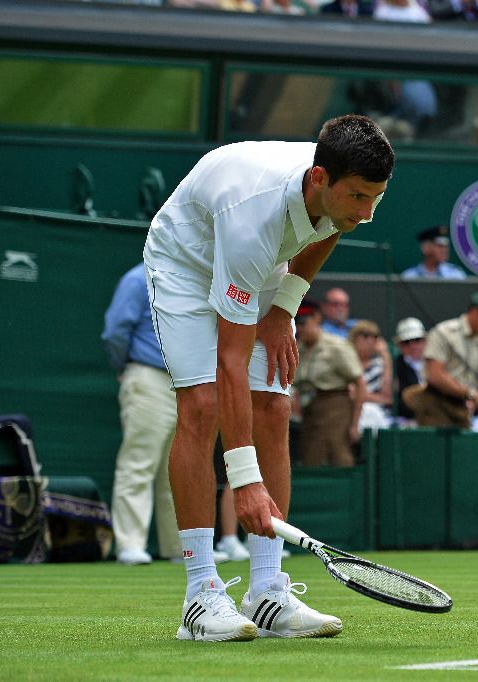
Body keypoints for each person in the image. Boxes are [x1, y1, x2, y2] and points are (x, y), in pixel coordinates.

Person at [143, 114, 394, 641]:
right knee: (203, 406)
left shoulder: (342, 194)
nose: (367, 213)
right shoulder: (253, 217)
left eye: (375, 198)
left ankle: (266, 593)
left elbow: (330, 229)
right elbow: (229, 364)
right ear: (320, 179)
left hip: (259, 270)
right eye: (358, 198)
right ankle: (200, 594)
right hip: (188, 262)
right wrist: (245, 481)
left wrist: (283, 308)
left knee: (276, 408)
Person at [102, 263, 181, 566]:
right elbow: (115, 331)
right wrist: (125, 366)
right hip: (147, 375)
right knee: (139, 462)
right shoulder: (136, 279)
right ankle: (130, 545)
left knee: (179, 469)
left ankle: (181, 547)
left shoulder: (190, 275)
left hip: (186, 382)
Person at [417, 291, 478, 428]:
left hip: (462, 407)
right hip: (436, 403)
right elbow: (436, 375)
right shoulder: (444, 332)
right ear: (476, 312)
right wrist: (472, 394)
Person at [291, 300, 365, 467]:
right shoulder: (298, 348)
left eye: (304, 323)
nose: (301, 328)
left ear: (317, 318)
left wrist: (355, 423)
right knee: (311, 458)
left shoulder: (335, 346)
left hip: (335, 407)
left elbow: (360, 382)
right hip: (309, 410)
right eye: (297, 324)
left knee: (339, 456)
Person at [349, 320, 393, 431]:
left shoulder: (380, 365)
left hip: (381, 418)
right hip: (352, 414)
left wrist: (385, 356)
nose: (371, 340)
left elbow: (388, 397)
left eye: (375, 336)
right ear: (354, 339)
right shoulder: (347, 364)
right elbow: (352, 395)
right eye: (365, 335)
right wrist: (378, 398)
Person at [400, 224, 468, 280]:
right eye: (439, 246)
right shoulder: (409, 277)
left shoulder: (456, 276)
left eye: (446, 246)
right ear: (425, 248)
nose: (444, 250)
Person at [393, 317, 427, 423]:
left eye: (417, 340)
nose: (413, 346)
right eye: (406, 342)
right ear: (399, 345)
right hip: (408, 419)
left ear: (424, 341)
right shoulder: (395, 367)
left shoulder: (436, 363)